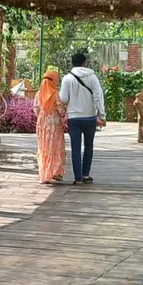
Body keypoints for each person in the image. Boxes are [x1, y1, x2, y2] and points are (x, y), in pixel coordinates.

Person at [59, 51, 106, 185]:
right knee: (89, 146)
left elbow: (63, 98)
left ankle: (78, 178)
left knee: (75, 147)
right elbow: (98, 95)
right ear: (85, 63)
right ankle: (86, 174)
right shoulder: (92, 77)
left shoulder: (67, 78)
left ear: (73, 63)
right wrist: (101, 114)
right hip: (90, 117)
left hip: (73, 118)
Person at [33, 67, 65, 184]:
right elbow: (61, 109)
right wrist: (63, 115)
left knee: (43, 148)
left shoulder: (38, 94)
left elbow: (35, 108)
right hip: (55, 124)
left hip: (42, 123)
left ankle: (44, 174)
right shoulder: (55, 94)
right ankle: (56, 172)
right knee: (55, 147)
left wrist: (42, 116)